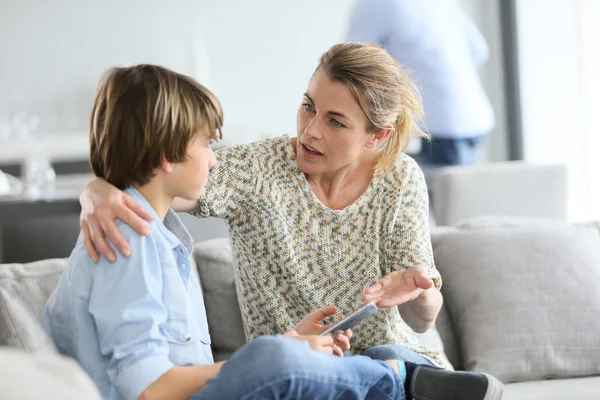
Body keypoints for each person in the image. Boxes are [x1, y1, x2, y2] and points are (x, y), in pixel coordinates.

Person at [79, 45, 503, 399]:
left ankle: (401, 380)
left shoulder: (399, 179)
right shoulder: (259, 170)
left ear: (377, 136)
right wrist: (96, 192)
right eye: (308, 107)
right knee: (338, 369)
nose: (309, 131)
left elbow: (422, 321)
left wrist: (421, 292)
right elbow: (155, 172)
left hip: (393, 357)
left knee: (383, 355)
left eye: (335, 121)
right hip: (299, 374)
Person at [346, 0, 495, 175]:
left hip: (445, 124)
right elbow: (479, 51)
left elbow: (350, 63)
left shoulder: (376, 3)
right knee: (450, 192)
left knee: (445, 196)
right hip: (471, 115)